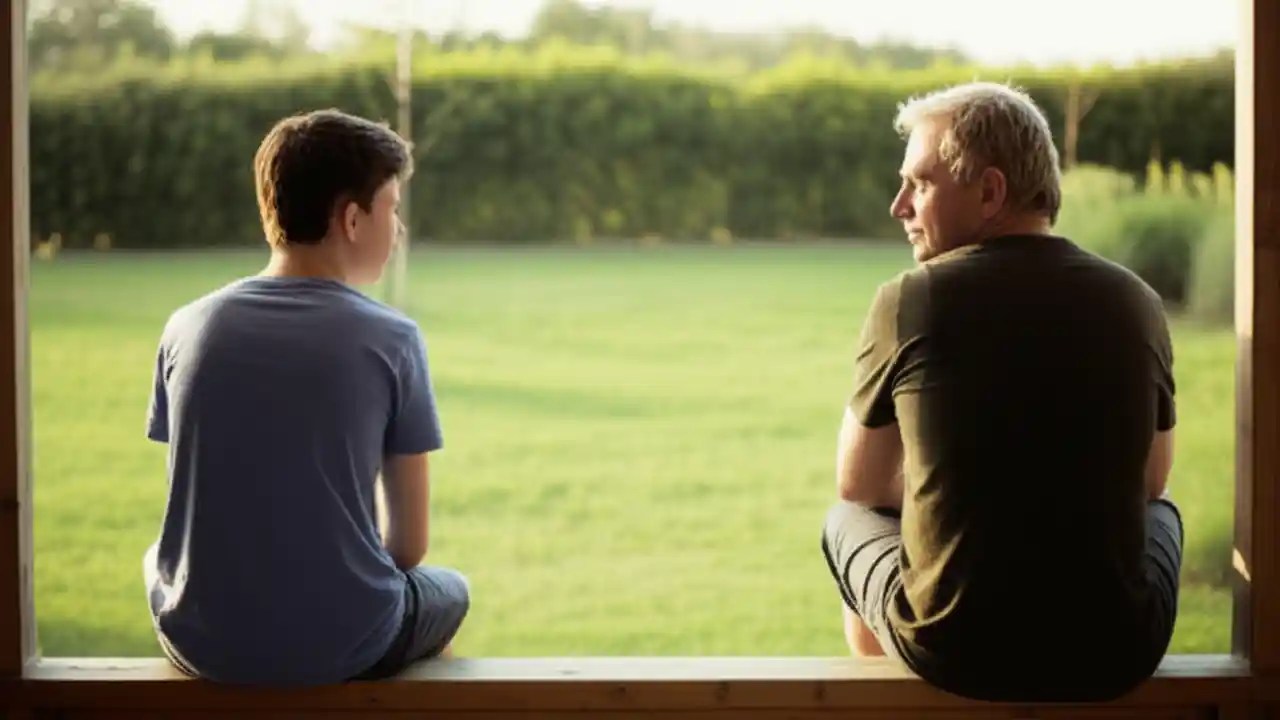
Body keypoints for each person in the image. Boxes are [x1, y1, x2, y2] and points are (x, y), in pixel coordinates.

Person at [819, 82, 1182, 702]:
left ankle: (894, 700)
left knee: (846, 518)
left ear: (990, 192)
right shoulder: (1136, 300)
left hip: (954, 651)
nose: (898, 205)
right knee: (1162, 511)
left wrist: (953, 494)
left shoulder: (911, 299)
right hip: (1116, 650)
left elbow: (860, 485)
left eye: (920, 184)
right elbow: (1149, 481)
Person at [143, 108, 469, 686]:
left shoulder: (186, 326)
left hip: (199, 639)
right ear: (352, 219)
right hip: (347, 642)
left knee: (155, 558)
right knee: (451, 590)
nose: (398, 230)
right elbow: (408, 548)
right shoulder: (393, 339)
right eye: (392, 209)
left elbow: (194, 512)